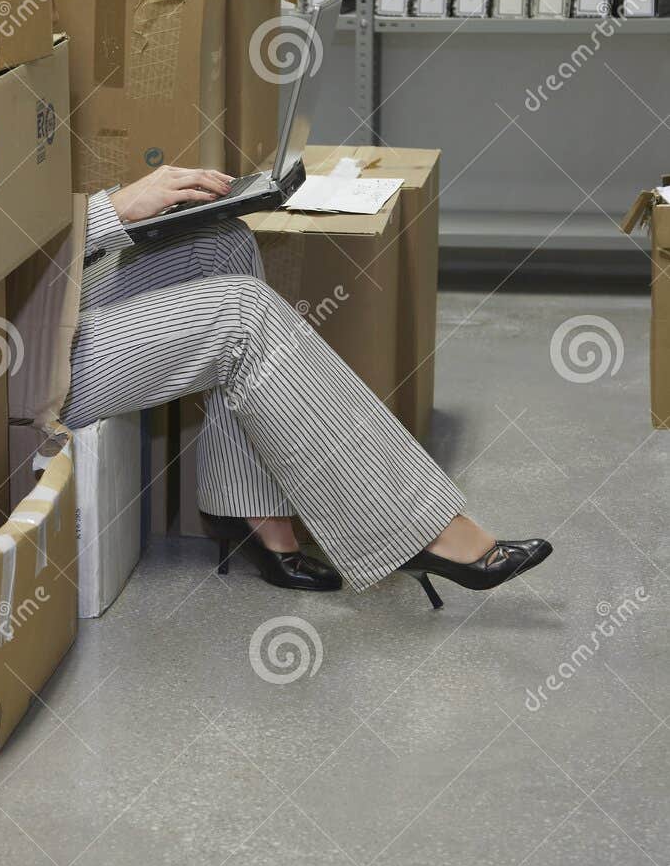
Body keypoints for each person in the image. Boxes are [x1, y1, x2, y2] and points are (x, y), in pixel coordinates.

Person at [62, 165, 552, 608]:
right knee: (242, 313)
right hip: (12, 357)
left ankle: (249, 508)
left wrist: (115, 206)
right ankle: (420, 530)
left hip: (42, 288)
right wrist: (109, 211)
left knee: (218, 239)